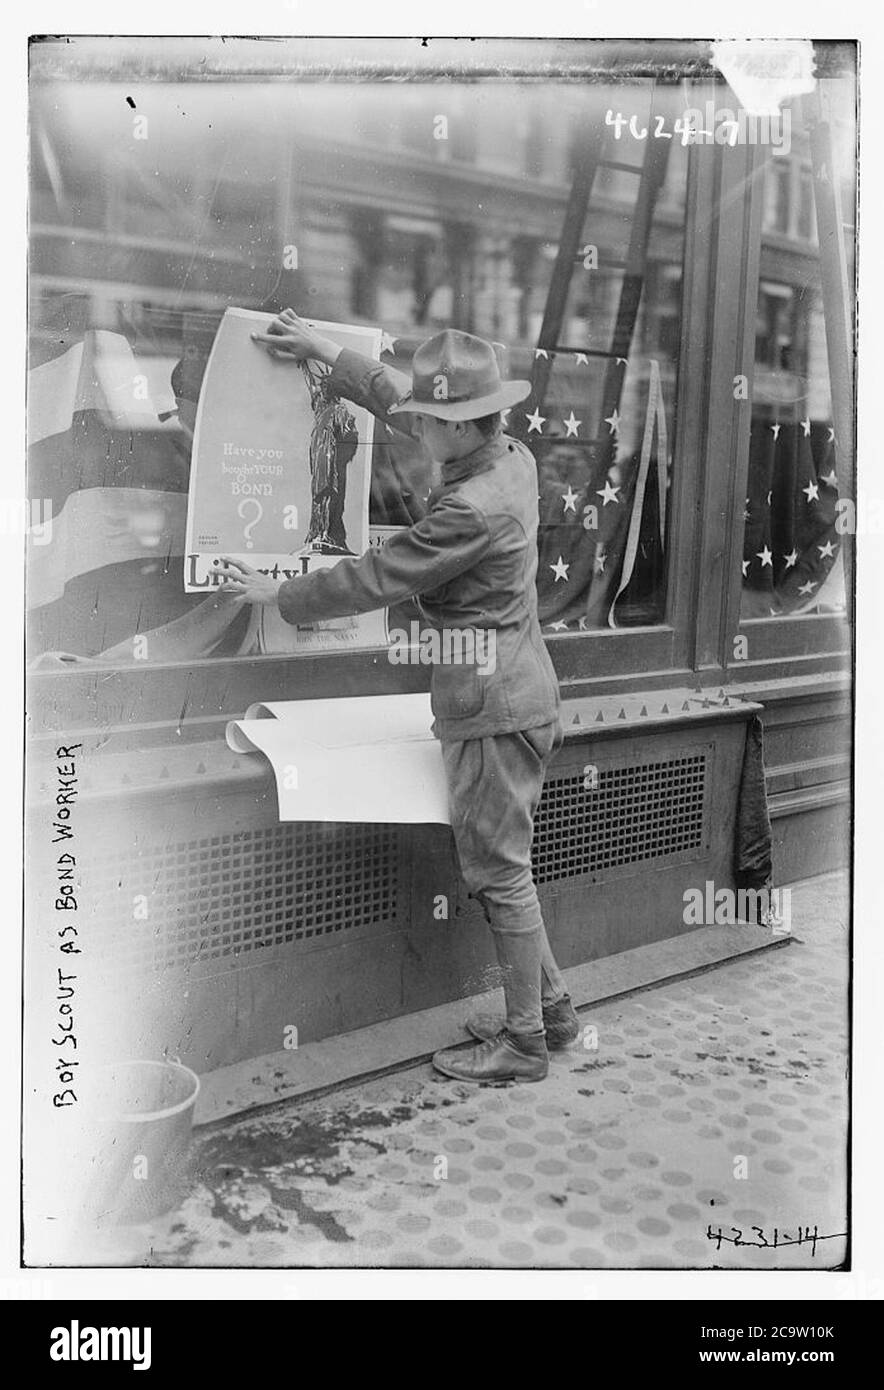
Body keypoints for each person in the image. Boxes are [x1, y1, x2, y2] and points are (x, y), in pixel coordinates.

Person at [217, 308, 580, 1083]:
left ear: (459, 427)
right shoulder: (509, 455)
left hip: (493, 706)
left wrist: (277, 593)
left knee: (499, 875)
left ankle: (524, 1044)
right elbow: (399, 400)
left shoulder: (469, 511)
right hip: (516, 687)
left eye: (429, 416)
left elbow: (376, 577)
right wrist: (326, 353)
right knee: (508, 865)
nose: (414, 422)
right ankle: (552, 1016)